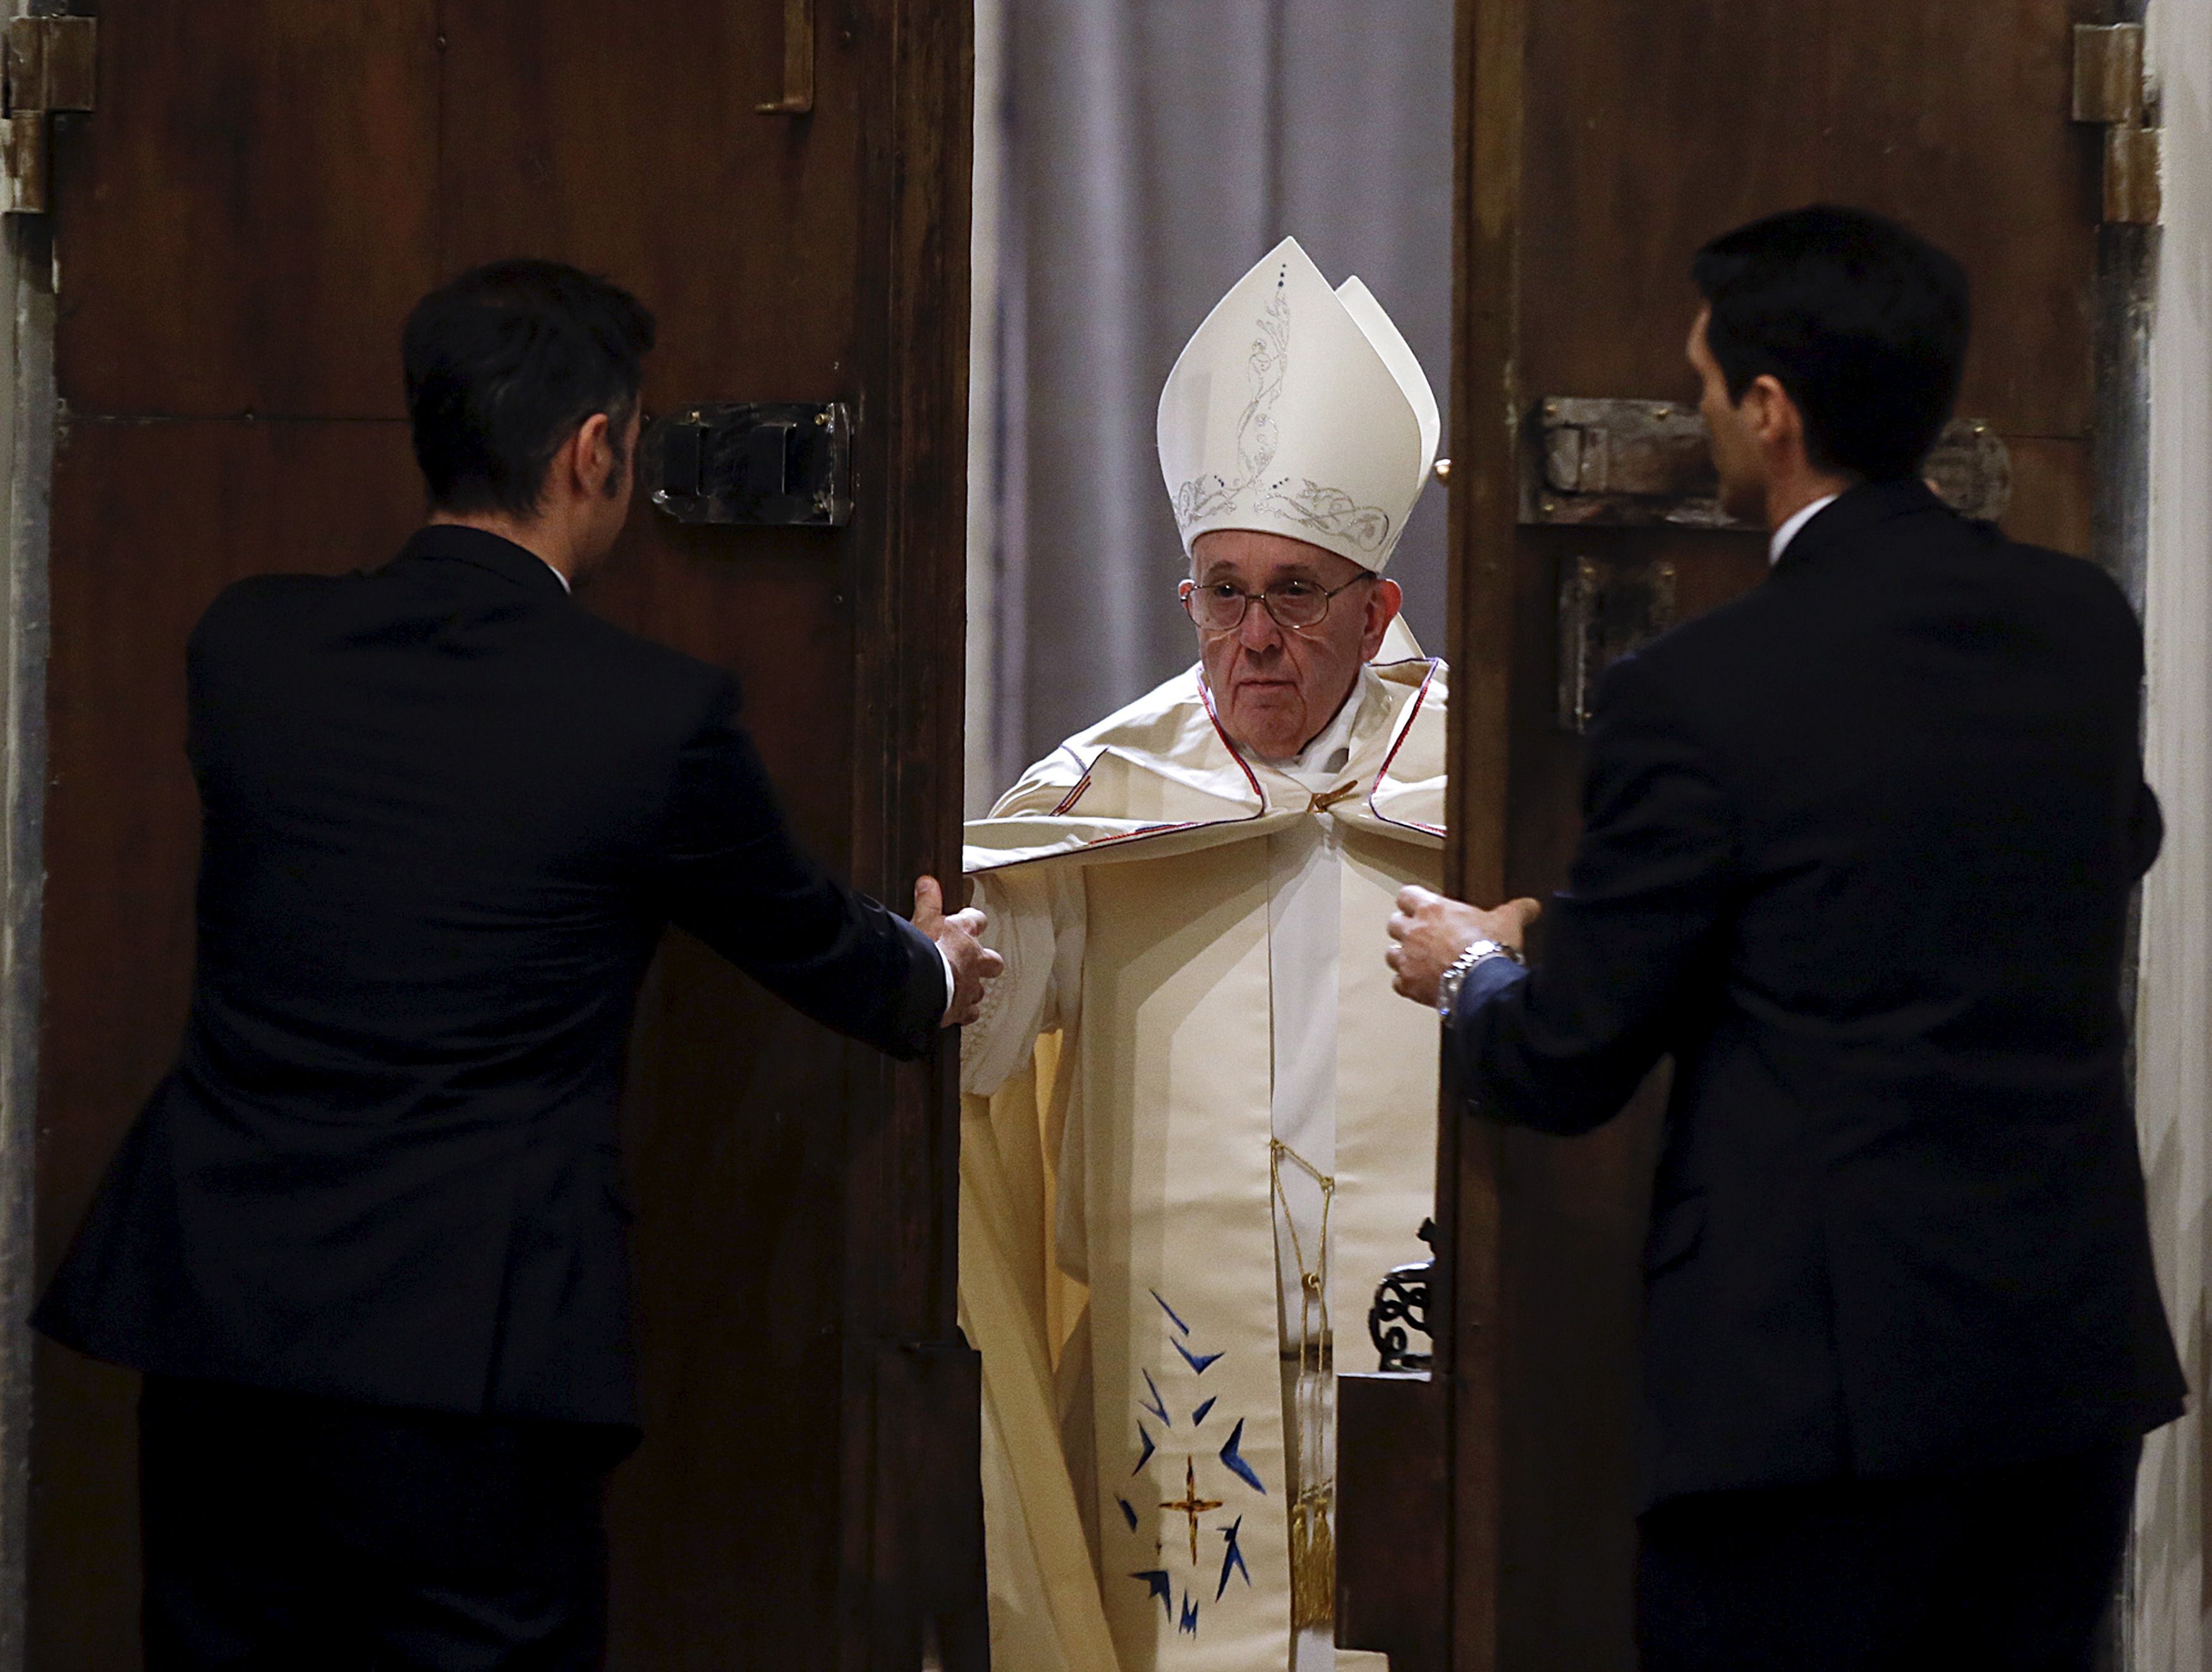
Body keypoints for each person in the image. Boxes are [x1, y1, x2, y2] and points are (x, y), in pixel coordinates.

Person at [33, 258, 1001, 1669]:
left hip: (221, 1311)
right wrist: (927, 970)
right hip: (470, 1348)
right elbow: (814, 943)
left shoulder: (250, 649)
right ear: (594, 451)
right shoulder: (646, 717)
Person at [1385, 205, 2185, 1671]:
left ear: (1769, 413)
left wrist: (1477, 971)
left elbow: (1565, 1060)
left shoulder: (1698, 686)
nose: (1698, 410)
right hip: (2051, 1360)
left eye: (1703, 384)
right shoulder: (2078, 623)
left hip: (1810, 1392)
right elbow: (2077, 844)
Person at [960, 237, 1444, 1672]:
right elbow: (979, 1071)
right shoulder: (1104, 798)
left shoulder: (1479, 797)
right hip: (1177, 1368)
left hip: (1414, 1335)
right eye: (1219, 592)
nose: (1250, 640)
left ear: (1378, 611)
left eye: (1294, 594)